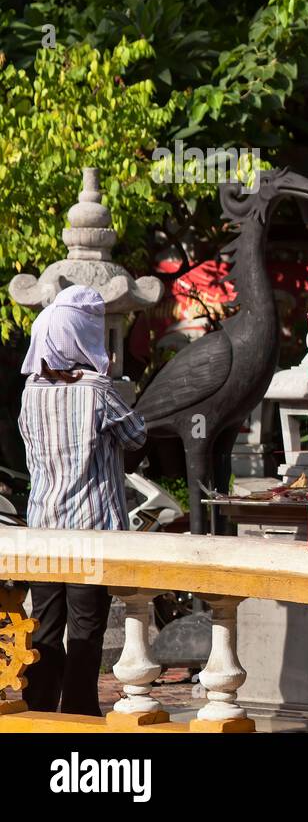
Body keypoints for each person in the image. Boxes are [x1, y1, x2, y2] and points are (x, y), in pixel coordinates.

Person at [17, 285, 147, 716]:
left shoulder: (30, 391)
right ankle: (79, 716)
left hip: (42, 528)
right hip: (90, 533)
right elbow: (137, 436)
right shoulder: (97, 391)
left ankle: (38, 713)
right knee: (86, 633)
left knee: (44, 629)